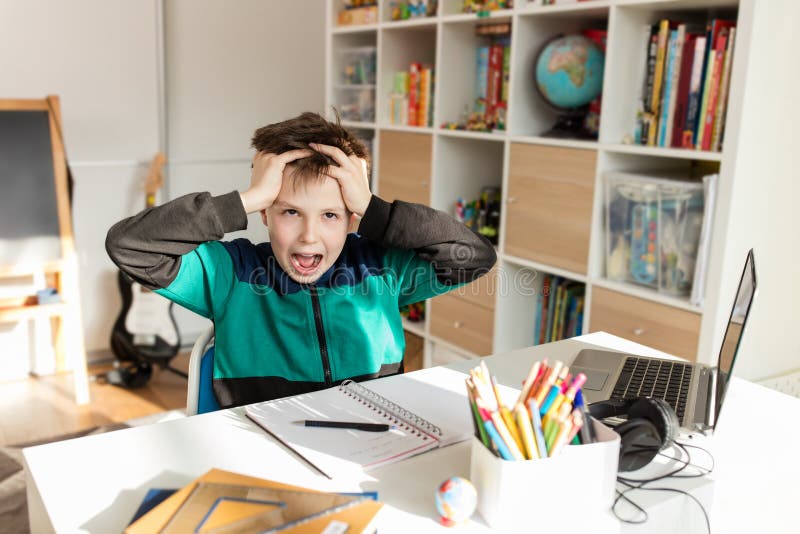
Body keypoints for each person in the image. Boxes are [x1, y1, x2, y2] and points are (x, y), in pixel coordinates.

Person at [106, 112, 496, 408]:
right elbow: (129, 245)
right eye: (290, 212)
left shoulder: (382, 269)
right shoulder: (231, 275)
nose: (309, 235)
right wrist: (244, 199)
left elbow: (473, 256)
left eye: (330, 215)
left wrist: (374, 208)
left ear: (351, 218)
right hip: (262, 454)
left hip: (371, 451)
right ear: (265, 213)